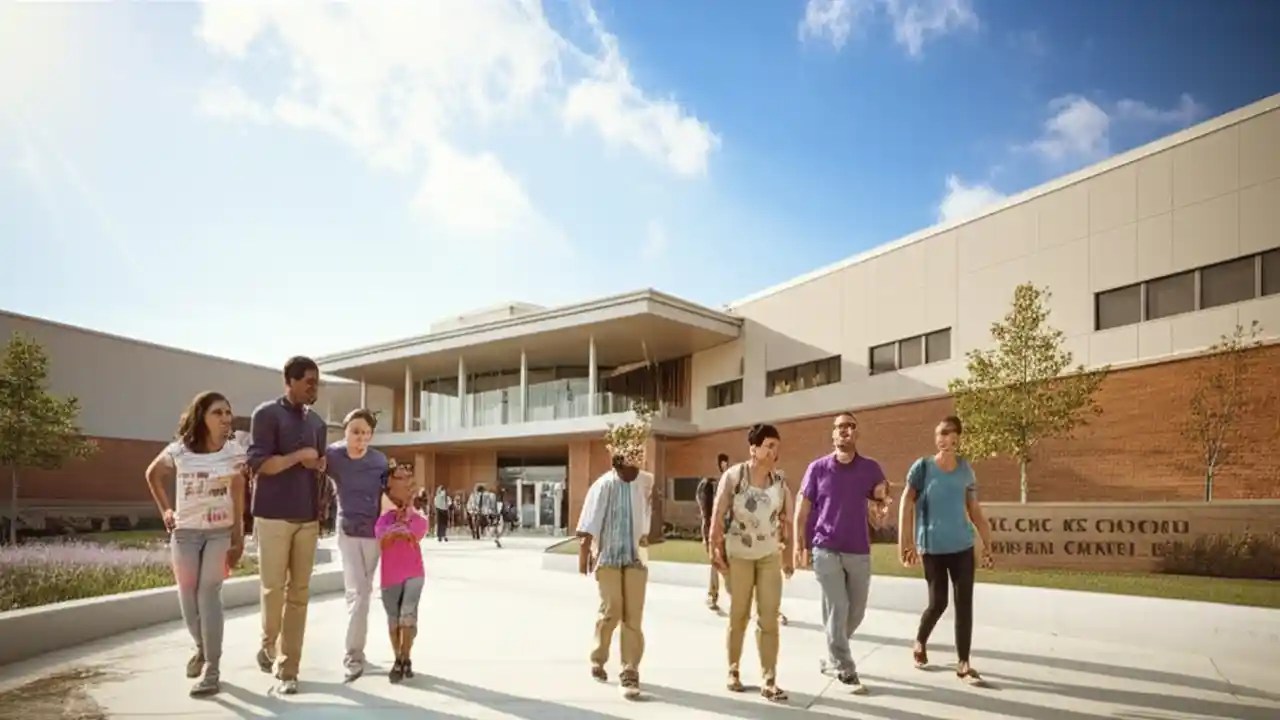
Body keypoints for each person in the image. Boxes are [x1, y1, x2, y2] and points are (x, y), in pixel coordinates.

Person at [143, 391, 247, 697]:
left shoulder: (235, 452)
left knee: (208, 595)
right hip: (185, 532)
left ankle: (212, 670)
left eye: (228, 412)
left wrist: (238, 536)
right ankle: (201, 648)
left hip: (219, 532)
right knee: (187, 596)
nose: (226, 418)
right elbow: (152, 474)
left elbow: (239, 495)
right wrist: (166, 510)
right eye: (218, 412)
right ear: (201, 416)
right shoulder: (179, 450)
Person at [792, 411, 891, 695]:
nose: (845, 430)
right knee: (838, 606)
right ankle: (846, 670)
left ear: (856, 434)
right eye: (839, 427)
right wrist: (800, 544)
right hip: (825, 547)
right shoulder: (817, 468)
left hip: (858, 549)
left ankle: (833, 655)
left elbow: (881, 501)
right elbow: (803, 508)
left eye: (850, 426)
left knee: (856, 612)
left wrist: (882, 509)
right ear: (833, 434)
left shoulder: (870, 468)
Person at [247, 355, 328, 695]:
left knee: (300, 594)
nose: (314, 388)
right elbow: (260, 465)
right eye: (309, 381)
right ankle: (268, 643)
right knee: (272, 588)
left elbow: (319, 465)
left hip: (307, 518)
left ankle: (288, 668)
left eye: (317, 382)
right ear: (290, 381)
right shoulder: (266, 414)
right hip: (272, 516)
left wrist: (319, 465)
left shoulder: (318, 423)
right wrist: (300, 457)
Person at [898, 415, 995, 685]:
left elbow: (974, 509)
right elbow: (906, 502)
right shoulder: (923, 467)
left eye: (952, 435)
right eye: (941, 433)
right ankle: (920, 640)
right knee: (938, 602)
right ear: (935, 436)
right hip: (932, 548)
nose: (946, 439)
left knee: (964, 604)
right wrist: (904, 542)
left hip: (963, 546)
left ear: (958, 439)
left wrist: (988, 544)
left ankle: (963, 663)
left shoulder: (966, 469)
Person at [709, 424, 793, 702]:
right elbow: (718, 513)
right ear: (753, 448)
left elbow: (787, 520)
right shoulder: (734, 476)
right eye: (769, 445)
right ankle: (733, 670)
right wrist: (714, 548)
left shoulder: (780, 482)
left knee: (769, 617)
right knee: (739, 614)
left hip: (769, 555)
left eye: (777, 447)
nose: (774, 452)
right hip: (739, 556)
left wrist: (789, 556)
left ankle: (769, 679)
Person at [575, 413, 655, 700]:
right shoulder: (604, 485)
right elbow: (590, 519)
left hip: (635, 558)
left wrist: (653, 518)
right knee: (612, 611)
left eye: (640, 458)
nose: (638, 464)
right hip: (608, 557)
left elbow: (651, 522)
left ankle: (630, 671)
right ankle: (598, 656)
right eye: (633, 459)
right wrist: (584, 551)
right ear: (619, 460)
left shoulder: (644, 483)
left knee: (633, 616)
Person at [324, 408, 391, 683]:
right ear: (345, 431)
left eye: (365, 433)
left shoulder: (379, 461)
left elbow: (388, 495)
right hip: (348, 531)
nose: (360, 438)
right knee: (360, 592)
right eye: (355, 432)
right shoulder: (333, 455)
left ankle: (355, 651)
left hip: (374, 533)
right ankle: (353, 656)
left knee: (361, 593)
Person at [375, 465, 428, 683]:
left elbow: (418, 531)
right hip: (390, 575)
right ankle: (398, 657)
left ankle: (405, 658)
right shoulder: (384, 518)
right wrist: (395, 530)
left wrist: (406, 522)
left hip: (414, 572)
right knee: (394, 618)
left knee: (408, 615)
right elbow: (381, 536)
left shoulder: (416, 517)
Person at [697, 453, 729, 611]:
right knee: (716, 563)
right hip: (716, 531)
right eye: (723, 464)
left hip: (729, 530)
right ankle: (712, 595)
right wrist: (706, 535)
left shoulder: (729, 483)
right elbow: (705, 514)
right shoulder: (709, 485)